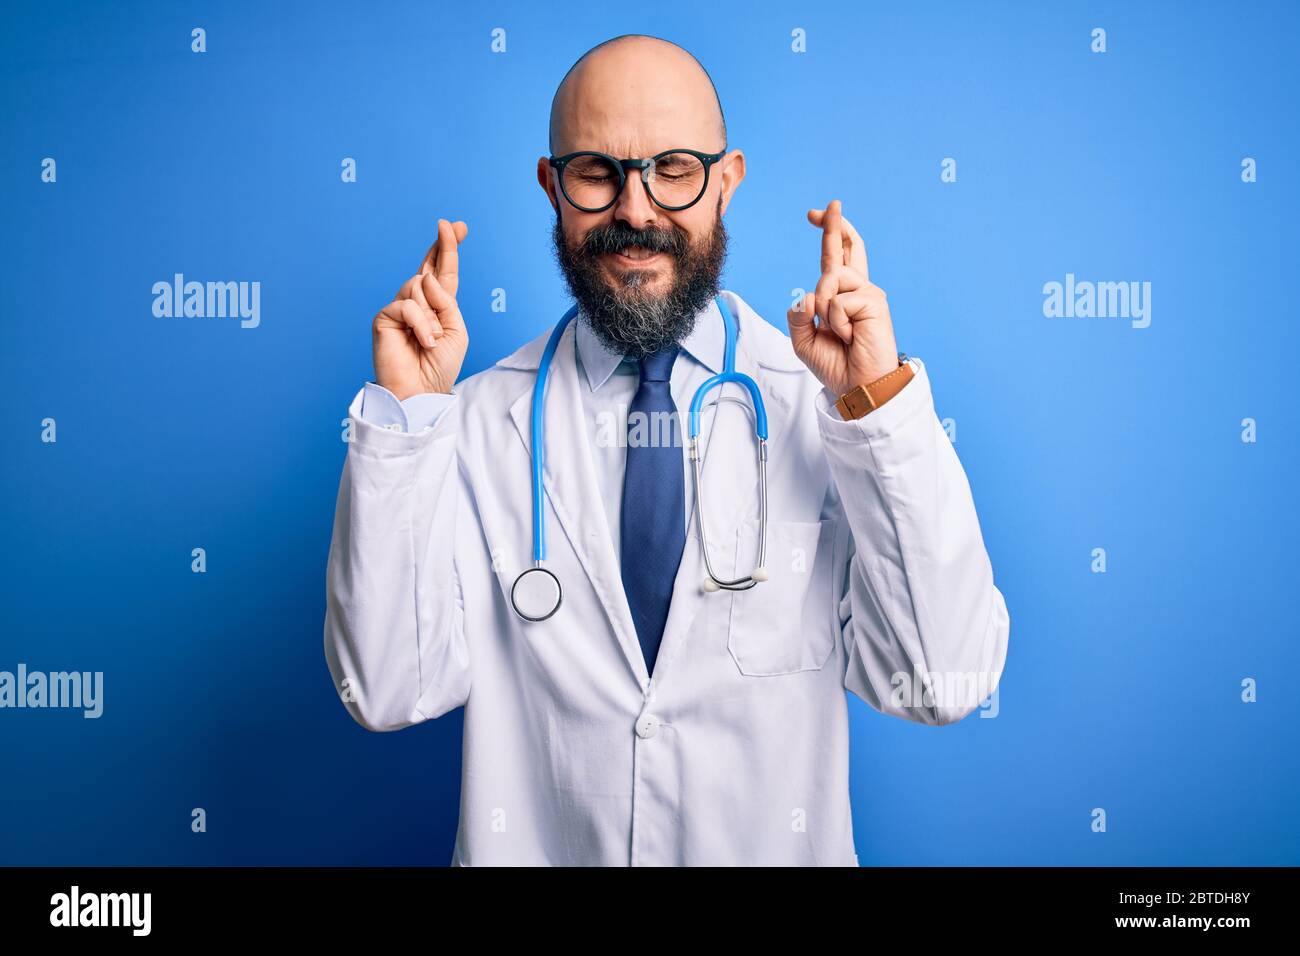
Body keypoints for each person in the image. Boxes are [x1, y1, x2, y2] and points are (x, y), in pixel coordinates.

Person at [323, 33, 1010, 866]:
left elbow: (946, 681)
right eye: (597, 172)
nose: (637, 210)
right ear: (552, 187)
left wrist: (874, 404)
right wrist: (408, 418)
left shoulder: (821, 408)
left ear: (728, 180)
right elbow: (385, 689)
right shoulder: (470, 422)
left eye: (675, 168)